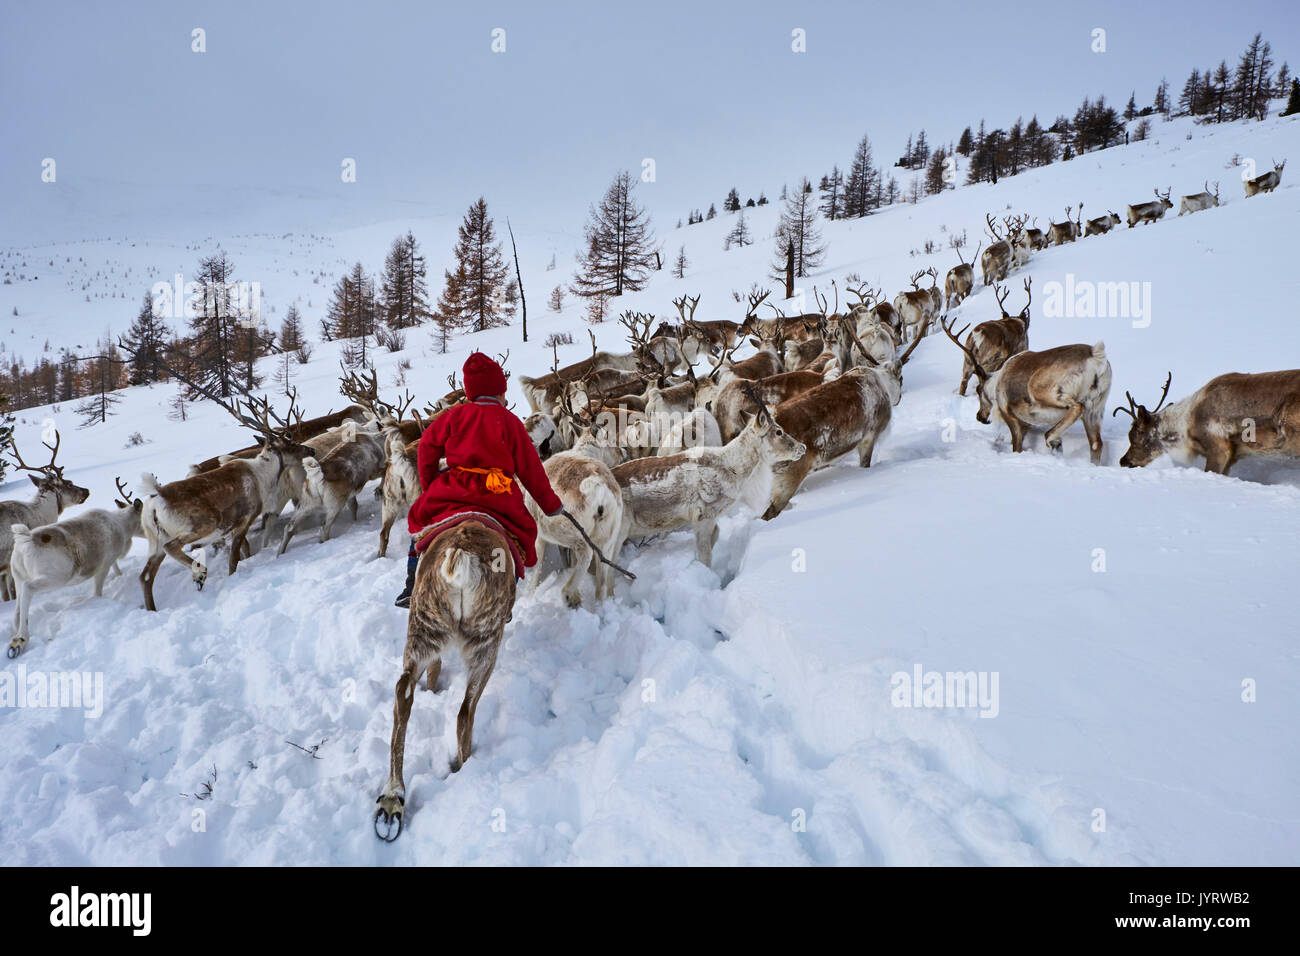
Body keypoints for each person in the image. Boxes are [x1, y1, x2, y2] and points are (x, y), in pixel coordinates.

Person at [396, 352, 565, 608]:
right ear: (498, 392)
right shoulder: (510, 422)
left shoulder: (453, 416)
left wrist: (431, 486)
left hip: (453, 488)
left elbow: (426, 447)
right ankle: (505, 597)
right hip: (497, 493)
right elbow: (532, 471)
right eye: (503, 392)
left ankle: (412, 583)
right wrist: (551, 505)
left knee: (420, 524)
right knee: (520, 536)